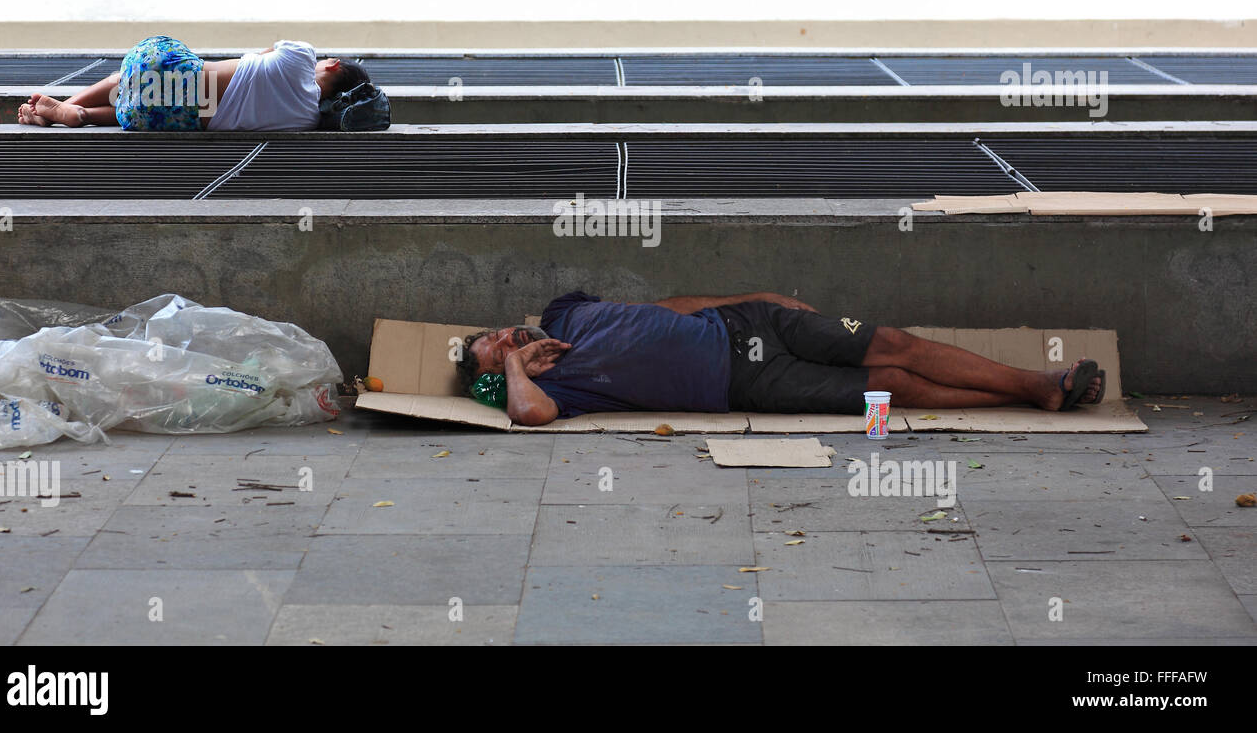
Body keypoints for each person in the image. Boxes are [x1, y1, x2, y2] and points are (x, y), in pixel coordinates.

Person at [456, 291, 1107, 427]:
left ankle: (1040, 384)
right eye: (500, 353)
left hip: (748, 323)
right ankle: (1038, 395)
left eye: (502, 334)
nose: (510, 340)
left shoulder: (566, 312)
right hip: (749, 380)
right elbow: (528, 416)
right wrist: (517, 369)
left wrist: (752, 297)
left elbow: (665, 306)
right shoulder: (559, 387)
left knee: (896, 345)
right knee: (889, 389)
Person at [16, 35, 368, 131]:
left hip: (169, 74)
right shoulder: (307, 120)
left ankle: (60, 106)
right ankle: (84, 116)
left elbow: (259, 56)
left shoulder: (301, 55)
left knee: (126, 80)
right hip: (160, 120)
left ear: (333, 65)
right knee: (152, 102)